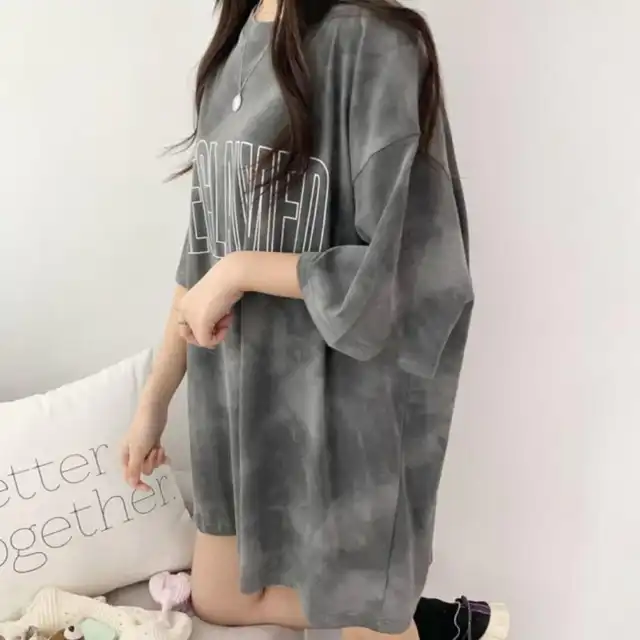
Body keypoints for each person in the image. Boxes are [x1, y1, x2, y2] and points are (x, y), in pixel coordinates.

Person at [121, 1, 509, 639]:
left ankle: (391, 616)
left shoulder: (375, 42)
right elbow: (201, 253)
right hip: (234, 399)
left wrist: (242, 270)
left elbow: (407, 268)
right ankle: (424, 619)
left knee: (358, 617)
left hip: (342, 403)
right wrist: (154, 402)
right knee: (218, 598)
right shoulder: (234, 46)